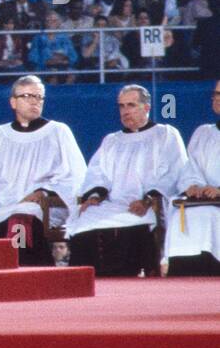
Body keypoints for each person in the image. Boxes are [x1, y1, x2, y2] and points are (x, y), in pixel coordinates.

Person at [0, 76, 87, 265]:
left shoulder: (58, 131)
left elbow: (76, 175)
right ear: (13, 102)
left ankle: (25, 271)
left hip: (44, 204)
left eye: (39, 97)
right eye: (28, 96)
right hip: (4, 200)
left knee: (22, 217)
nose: (35, 101)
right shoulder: (0, 133)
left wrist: (43, 191)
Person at [66, 85, 189, 276]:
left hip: (146, 204)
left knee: (132, 219)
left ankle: (126, 275)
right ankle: (87, 278)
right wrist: (95, 195)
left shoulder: (165, 134)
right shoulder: (112, 140)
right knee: (84, 219)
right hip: (112, 202)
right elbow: (98, 174)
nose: (125, 111)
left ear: (146, 108)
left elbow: (174, 173)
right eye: (121, 106)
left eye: (131, 105)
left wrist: (148, 200)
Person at [164, 81, 220, 275]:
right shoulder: (203, 132)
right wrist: (193, 185)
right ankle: (183, 277)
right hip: (203, 199)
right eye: (215, 94)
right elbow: (191, 167)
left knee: (207, 216)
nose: (217, 99)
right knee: (184, 214)